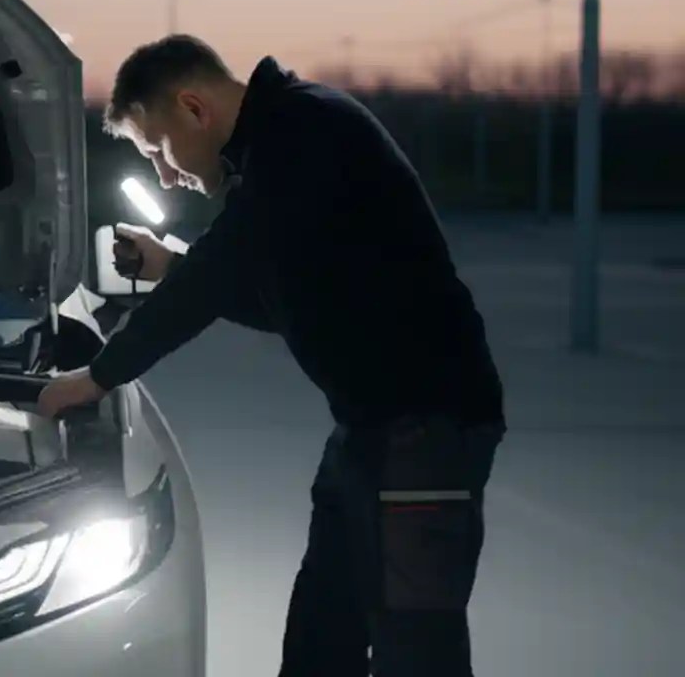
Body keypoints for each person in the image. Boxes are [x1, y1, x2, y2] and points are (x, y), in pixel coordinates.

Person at [36, 35, 506, 676]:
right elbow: (282, 300)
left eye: (157, 150)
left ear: (194, 107)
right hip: (374, 428)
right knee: (322, 635)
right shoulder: (285, 147)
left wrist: (97, 376)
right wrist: (175, 264)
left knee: (416, 648)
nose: (164, 174)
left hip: (425, 427)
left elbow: (217, 274)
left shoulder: (299, 135)